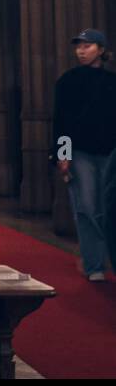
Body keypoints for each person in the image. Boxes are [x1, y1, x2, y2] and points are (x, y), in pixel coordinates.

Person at [52, 29, 116, 281]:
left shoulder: (112, 82)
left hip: (110, 151)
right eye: (79, 46)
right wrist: (63, 155)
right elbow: (62, 121)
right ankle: (94, 264)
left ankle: (98, 258)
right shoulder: (67, 81)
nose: (81, 50)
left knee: (106, 208)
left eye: (87, 46)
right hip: (80, 152)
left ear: (101, 50)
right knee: (87, 207)